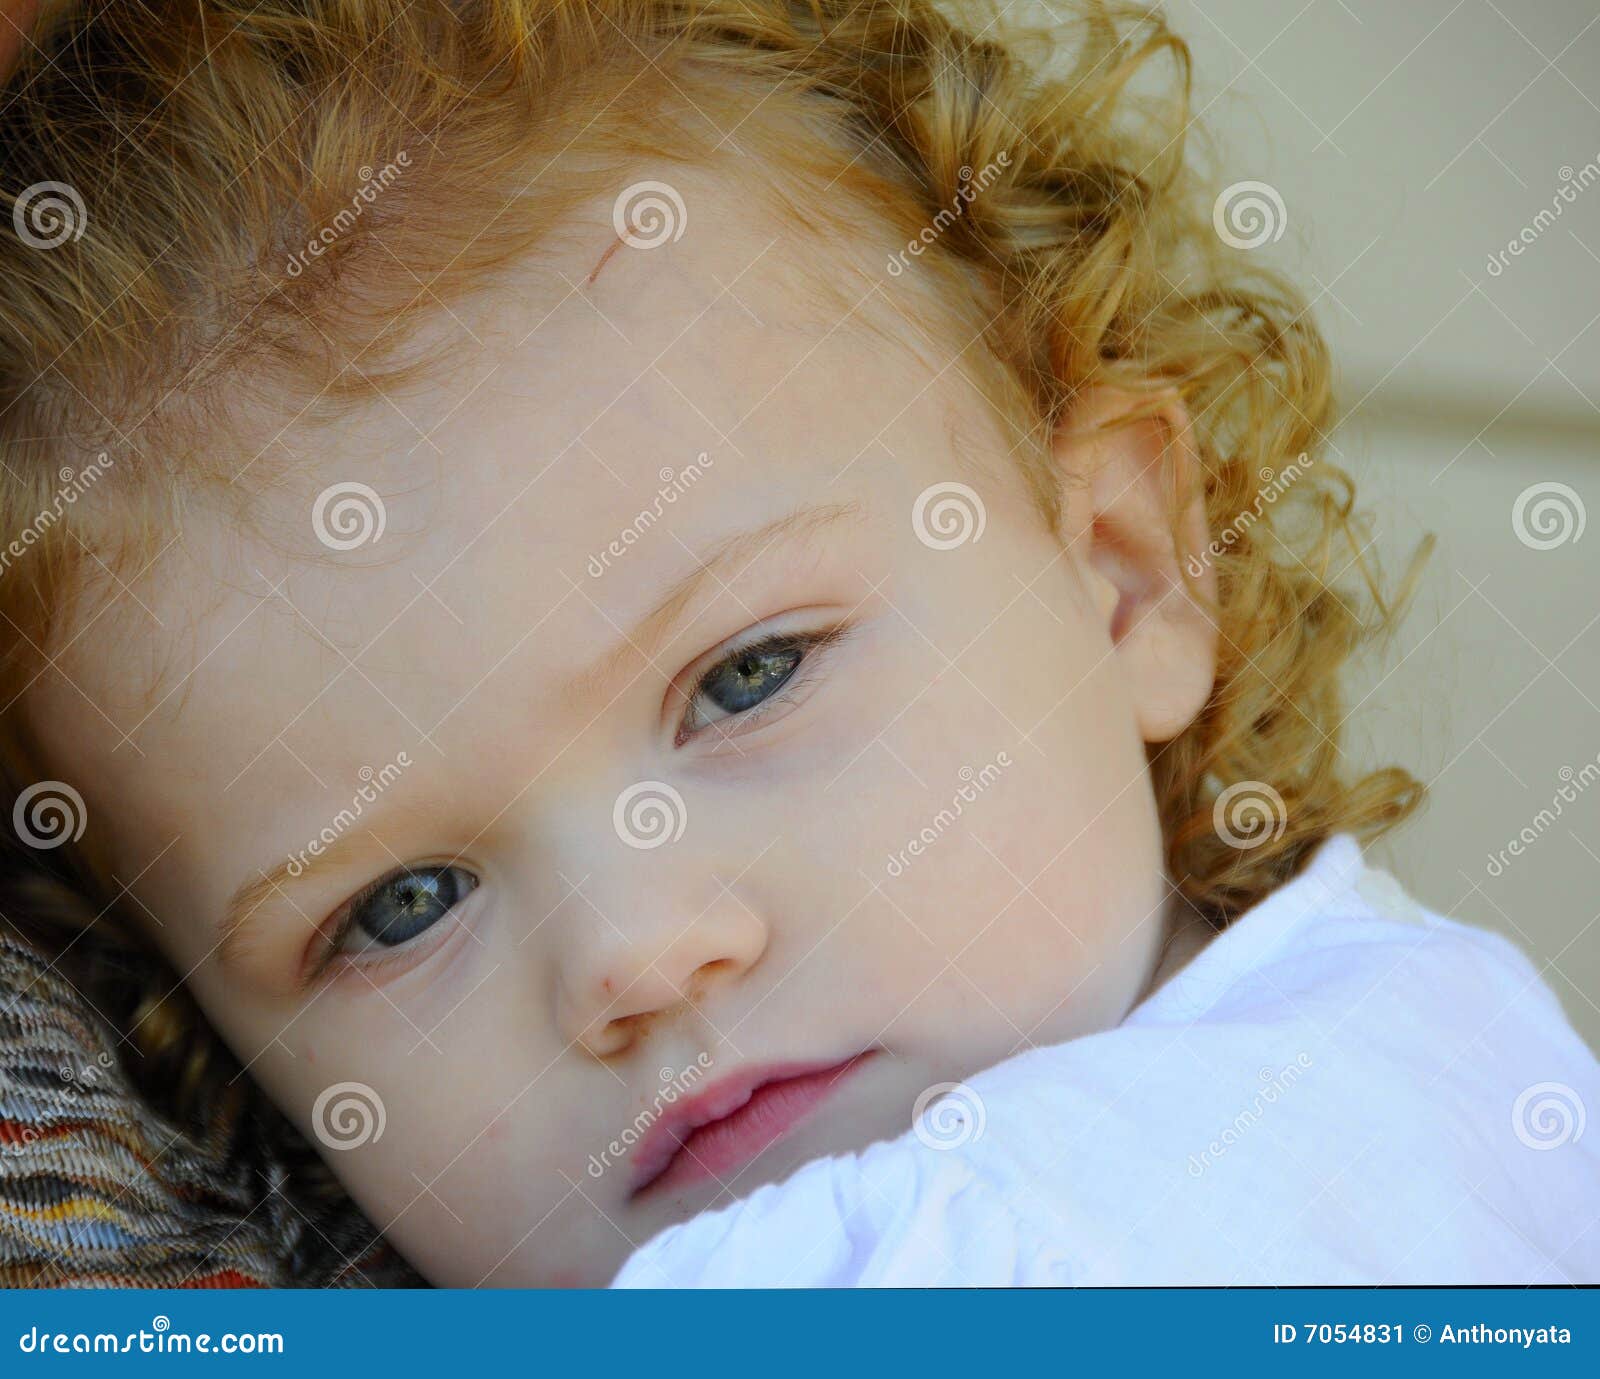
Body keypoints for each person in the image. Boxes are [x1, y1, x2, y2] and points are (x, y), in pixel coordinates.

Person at [0, 0, 1593, 1288]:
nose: (638, 951)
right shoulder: (1464, 1049)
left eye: (744, 677)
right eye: (402, 907)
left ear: (1116, 573)